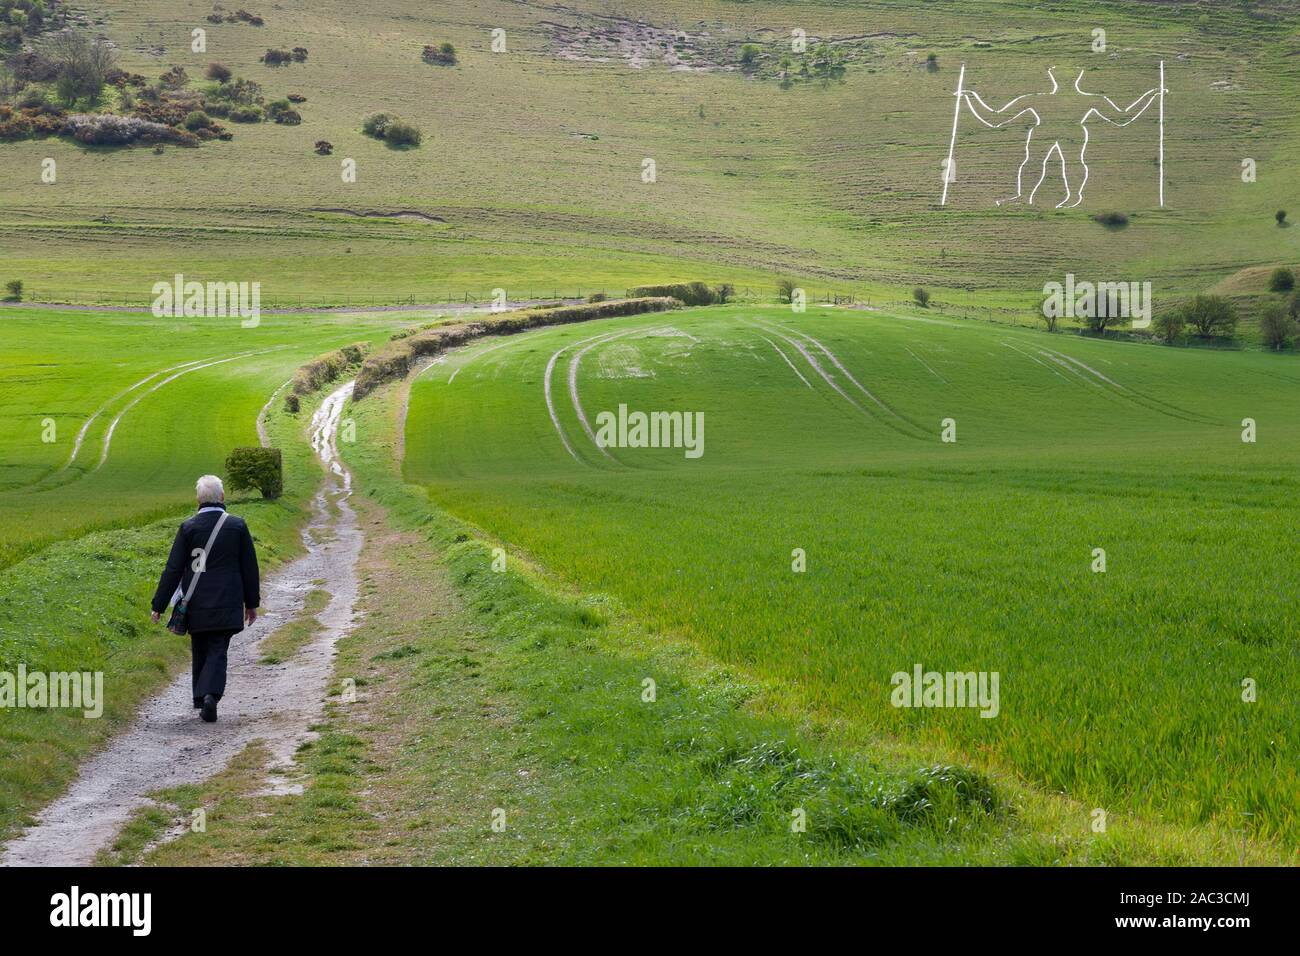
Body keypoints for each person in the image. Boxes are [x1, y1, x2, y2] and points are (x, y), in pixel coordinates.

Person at [150, 475, 260, 723]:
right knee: (218, 648)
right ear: (222, 497)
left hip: (196, 601)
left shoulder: (188, 527)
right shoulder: (237, 526)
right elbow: (249, 568)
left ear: (198, 500)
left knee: (200, 644)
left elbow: (173, 569)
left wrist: (158, 605)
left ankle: (201, 697)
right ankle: (210, 695)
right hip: (228, 599)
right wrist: (251, 603)